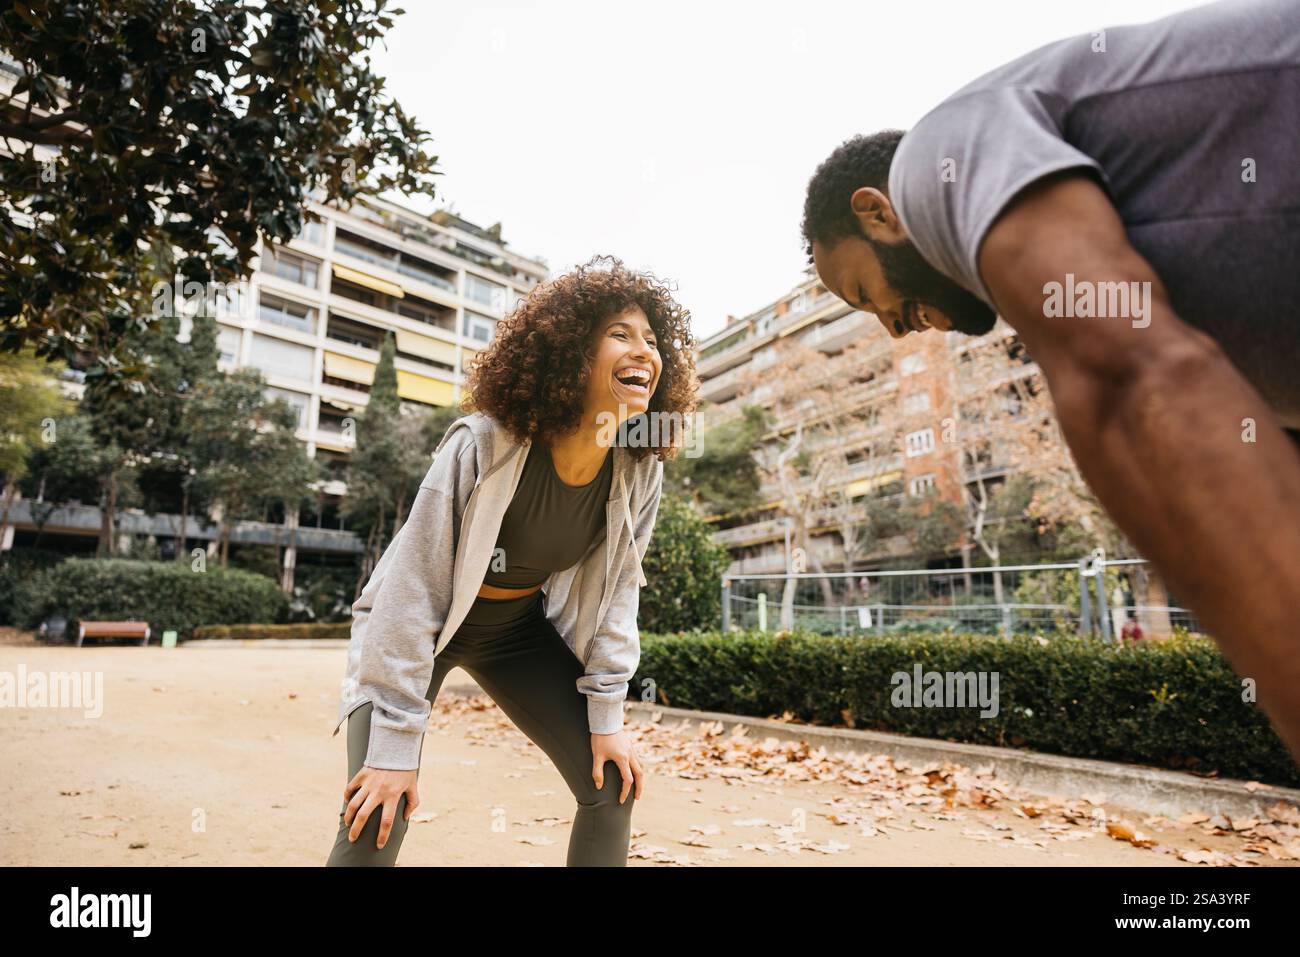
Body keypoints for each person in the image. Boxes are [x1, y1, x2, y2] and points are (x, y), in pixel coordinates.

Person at [800, 0, 1300, 761]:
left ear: (879, 213)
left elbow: (1126, 379)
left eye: (869, 297)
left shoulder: (939, 152)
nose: (894, 329)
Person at [325, 255, 699, 865]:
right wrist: (395, 745)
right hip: (416, 631)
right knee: (378, 806)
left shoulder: (637, 468)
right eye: (620, 334)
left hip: (514, 633)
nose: (644, 352)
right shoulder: (484, 443)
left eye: (652, 341)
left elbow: (618, 591)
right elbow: (412, 588)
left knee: (612, 783)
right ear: (571, 353)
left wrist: (606, 715)